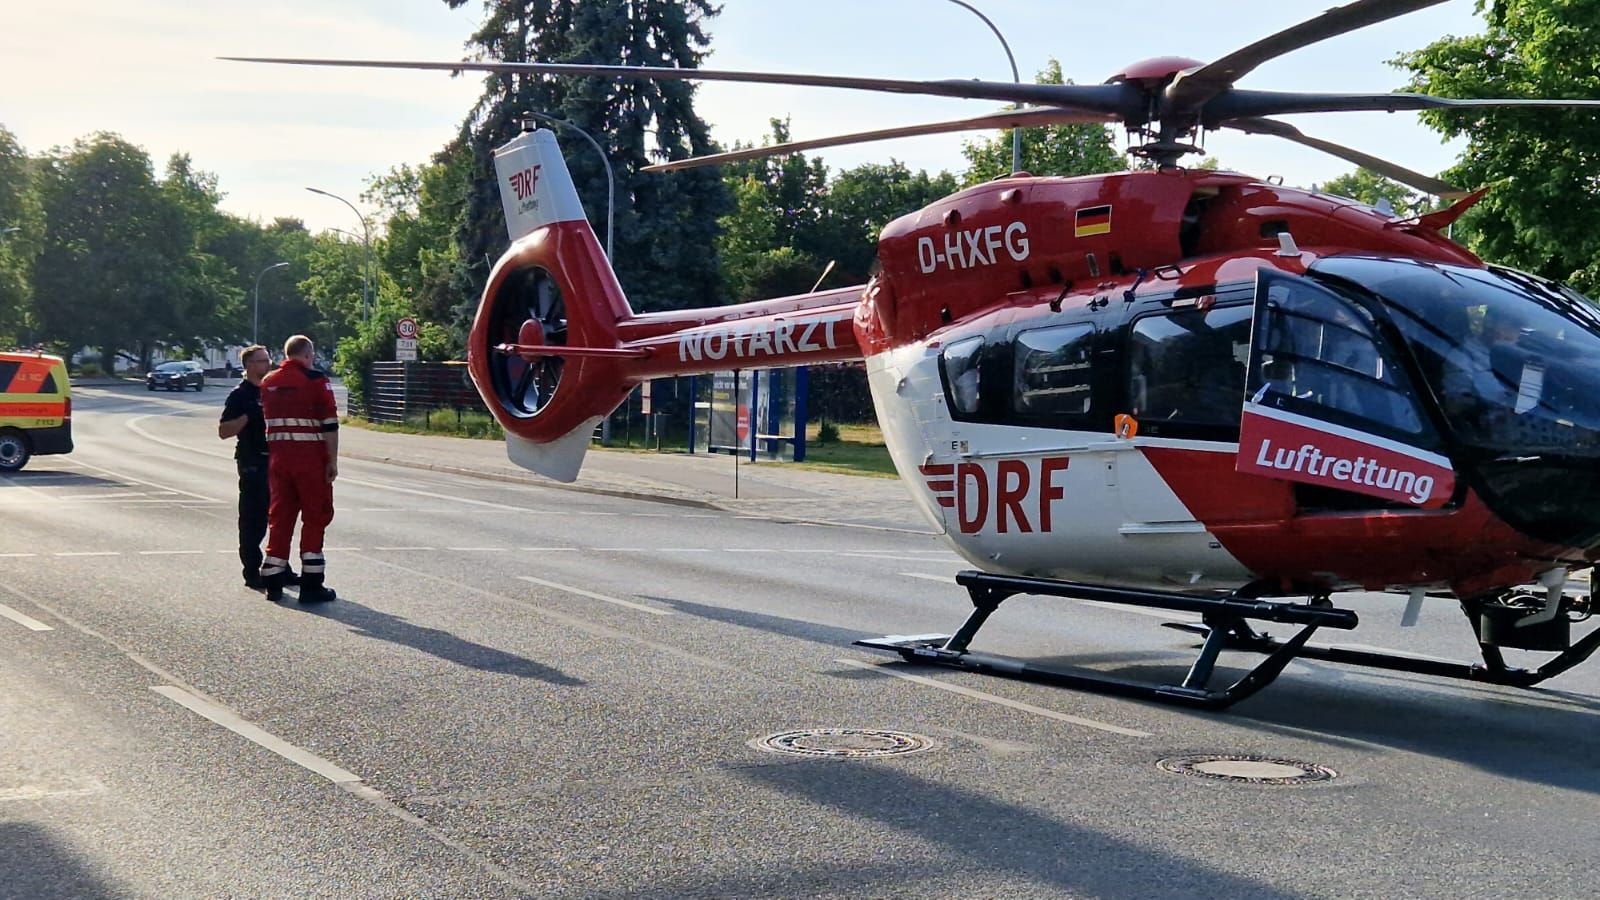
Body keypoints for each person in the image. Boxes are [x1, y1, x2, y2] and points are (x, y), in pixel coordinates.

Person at [259, 335, 340, 603]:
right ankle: (311, 584)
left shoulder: (268, 382)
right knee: (316, 517)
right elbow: (329, 424)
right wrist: (332, 461)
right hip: (310, 461)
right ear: (308, 354)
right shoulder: (316, 380)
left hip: (279, 461)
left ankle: (272, 579)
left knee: (280, 518)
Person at [218, 345, 296, 591]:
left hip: (278, 460)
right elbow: (223, 431)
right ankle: (252, 570)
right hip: (253, 463)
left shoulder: (273, 390)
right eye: (263, 360)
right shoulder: (240, 395)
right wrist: (247, 417)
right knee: (254, 519)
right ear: (250, 365)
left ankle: (279, 567)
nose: (268, 364)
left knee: (280, 517)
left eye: (269, 359)